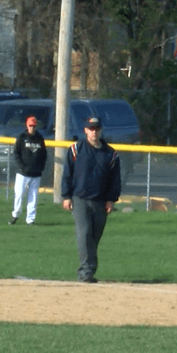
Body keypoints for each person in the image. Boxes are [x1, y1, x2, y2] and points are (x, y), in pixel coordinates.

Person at [60, 117, 121, 283]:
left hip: (100, 201)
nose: (94, 132)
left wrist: (111, 199)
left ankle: (89, 271)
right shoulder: (76, 149)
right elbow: (67, 174)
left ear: (101, 131)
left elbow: (115, 180)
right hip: (80, 198)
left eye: (96, 129)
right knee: (85, 232)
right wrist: (66, 196)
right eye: (91, 128)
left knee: (94, 236)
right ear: (85, 130)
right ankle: (85, 272)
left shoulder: (110, 154)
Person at [9, 115, 47, 225]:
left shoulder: (40, 138)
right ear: (27, 125)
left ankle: (30, 219)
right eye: (30, 126)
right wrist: (21, 166)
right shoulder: (21, 137)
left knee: (33, 197)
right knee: (19, 194)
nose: (32, 128)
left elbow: (44, 154)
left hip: (36, 173)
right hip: (22, 173)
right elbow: (16, 153)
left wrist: (41, 167)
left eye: (34, 126)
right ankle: (15, 215)